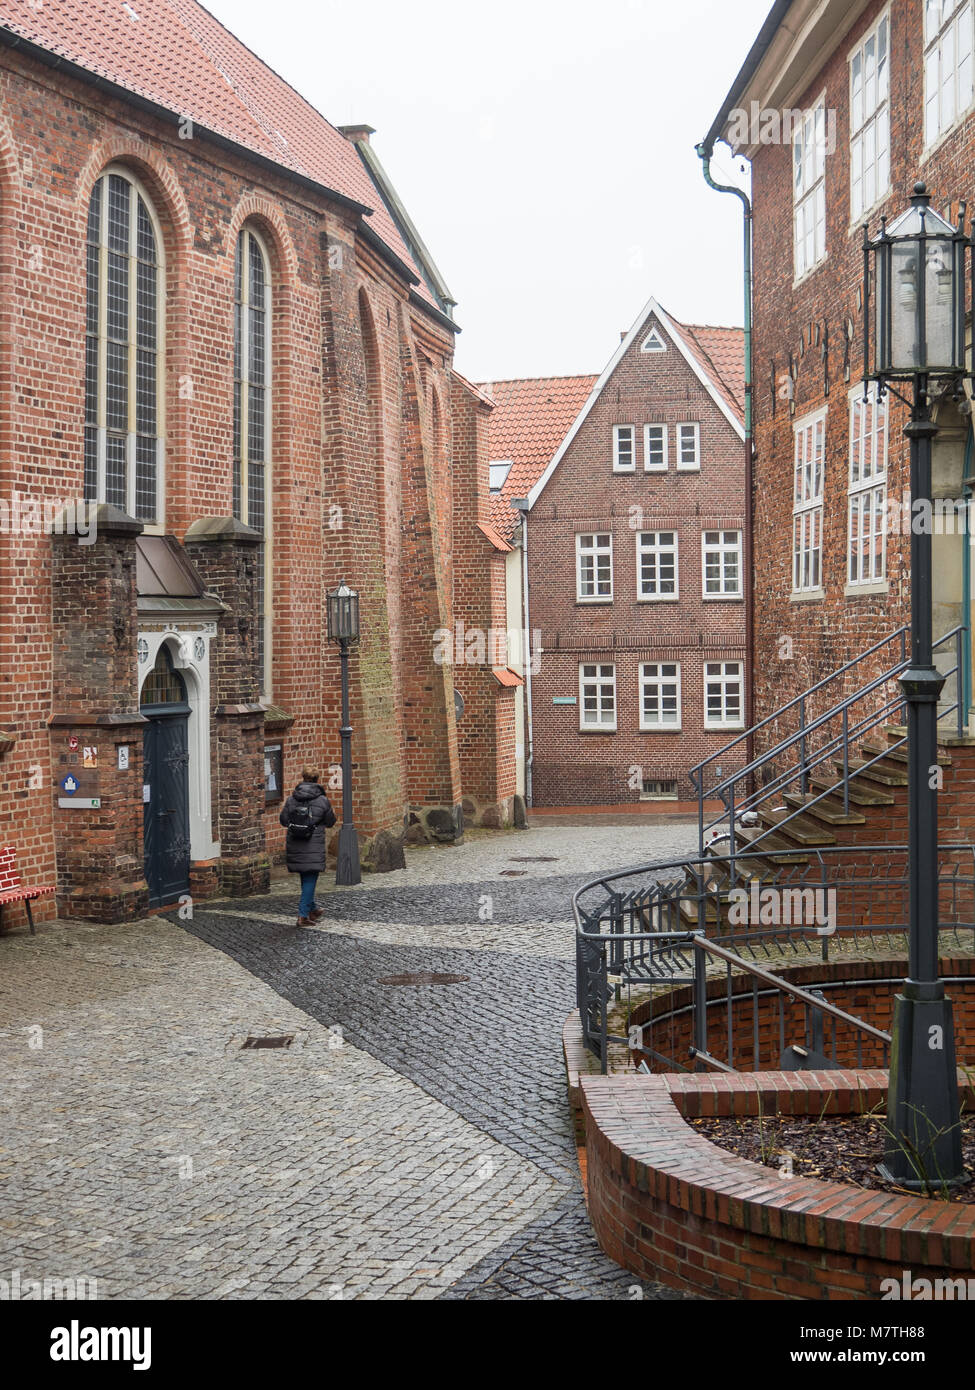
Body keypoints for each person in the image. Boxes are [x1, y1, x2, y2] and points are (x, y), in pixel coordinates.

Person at [279, 766, 337, 927]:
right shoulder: (322, 800)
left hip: (295, 842)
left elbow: (283, 820)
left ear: (303, 778)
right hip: (313, 843)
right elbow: (331, 821)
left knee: (306, 877)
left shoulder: (292, 799)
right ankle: (303, 915)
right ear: (317, 780)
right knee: (310, 877)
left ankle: (313, 909)